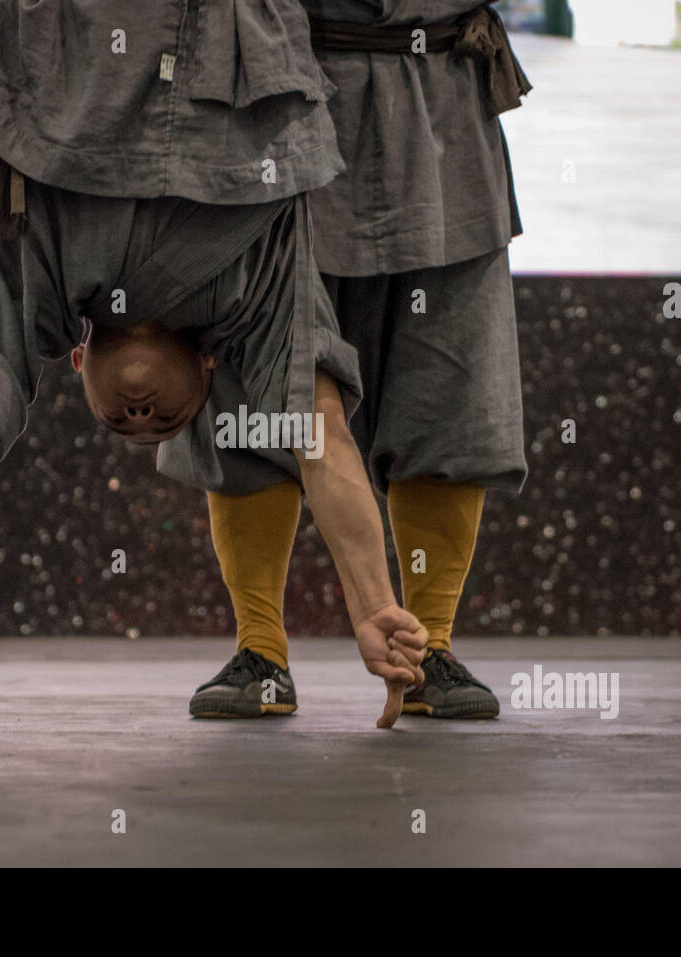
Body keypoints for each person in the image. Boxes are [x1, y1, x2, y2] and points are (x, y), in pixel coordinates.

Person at [0, 0, 428, 729]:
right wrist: (373, 604)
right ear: (209, 364)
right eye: (164, 423)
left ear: (77, 356)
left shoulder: (41, 277)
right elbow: (324, 439)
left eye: (120, 423)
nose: (143, 418)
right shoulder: (253, 290)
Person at [168, 0, 530, 719]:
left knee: (448, 397)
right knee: (253, 395)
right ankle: (260, 649)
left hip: (444, 115)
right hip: (279, 104)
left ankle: (430, 649)